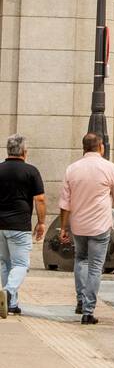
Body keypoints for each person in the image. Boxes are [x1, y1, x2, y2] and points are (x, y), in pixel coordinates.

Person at [58, 133, 114, 325]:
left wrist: (63, 228)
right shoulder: (109, 168)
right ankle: (88, 311)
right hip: (100, 226)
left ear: (83, 148)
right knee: (95, 267)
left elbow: (65, 203)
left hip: (78, 225)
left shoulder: (72, 169)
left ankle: (81, 300)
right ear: (101, 147)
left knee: (80, 260)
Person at [0, 134, 46, 318]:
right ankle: (9, 292)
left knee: (5, 263)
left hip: (0, 225)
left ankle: (11, 304)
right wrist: (41, 222)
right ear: (25, 152)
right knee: (21, 263)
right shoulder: (31, 171)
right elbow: (40, 199)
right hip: (19, 225)